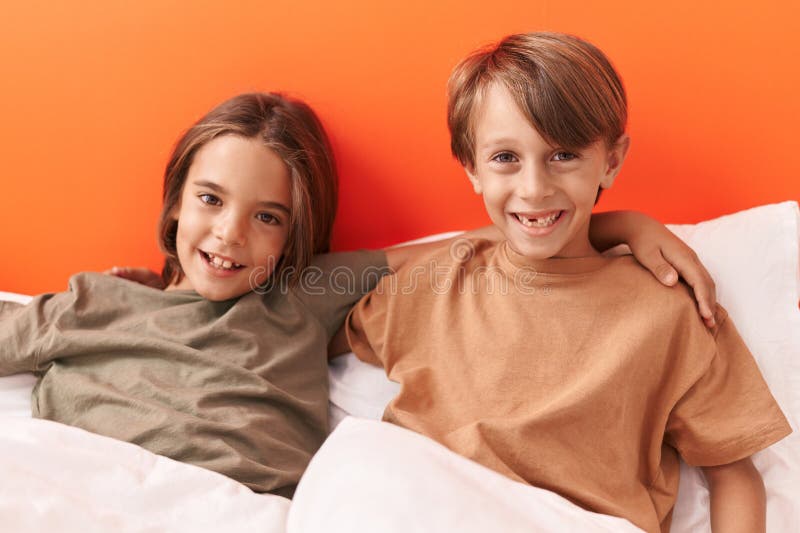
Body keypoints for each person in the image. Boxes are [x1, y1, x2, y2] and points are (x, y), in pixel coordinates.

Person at [0, 90, 716, 499]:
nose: (229, 234)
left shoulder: (309, 293)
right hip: (87, 490)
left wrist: (617, 221)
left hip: (240, 507)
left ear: (295, 235)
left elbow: (479, 242)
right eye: (210, 200)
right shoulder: (87, 304)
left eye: (267, 218)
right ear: (175, 203)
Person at [343, 32, 791, 532]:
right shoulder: (432, 283)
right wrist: (618, 223)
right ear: (471, 167)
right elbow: (293, 293)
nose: (534, 189)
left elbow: (733, 474)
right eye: (504, 158)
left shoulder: (669, 309)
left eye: (563, 156)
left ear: (612, 160)